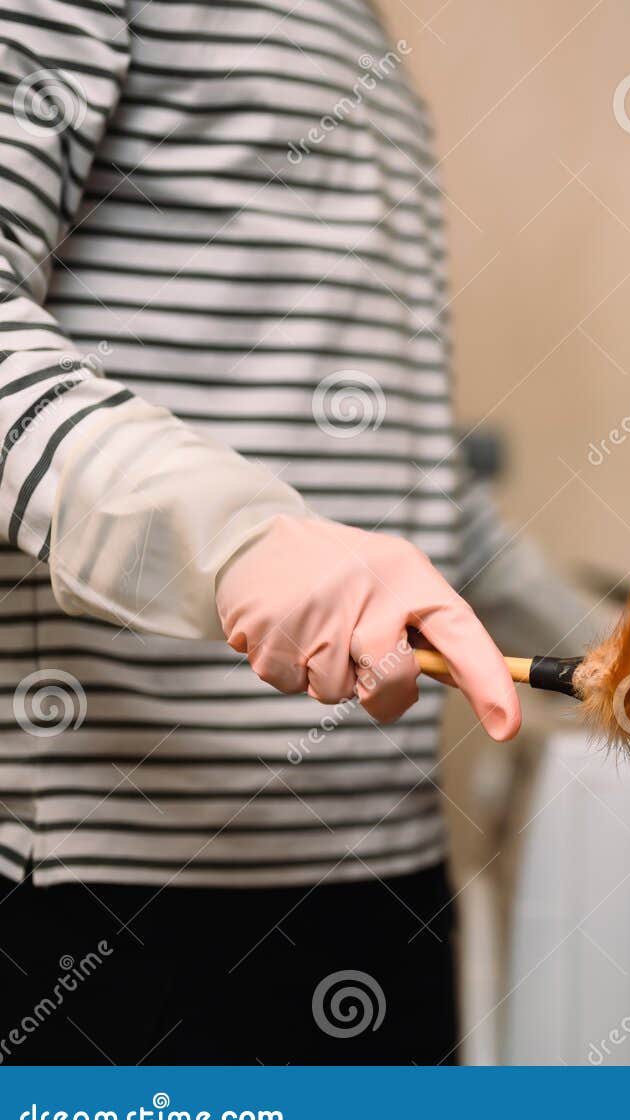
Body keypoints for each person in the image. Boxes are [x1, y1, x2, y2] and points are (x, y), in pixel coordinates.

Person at [0, 0, 595, 1062]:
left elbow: (400, 488)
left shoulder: (352, 26)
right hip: (124, 913)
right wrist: (239, 541)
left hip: (385, 886)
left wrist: (623, 661)